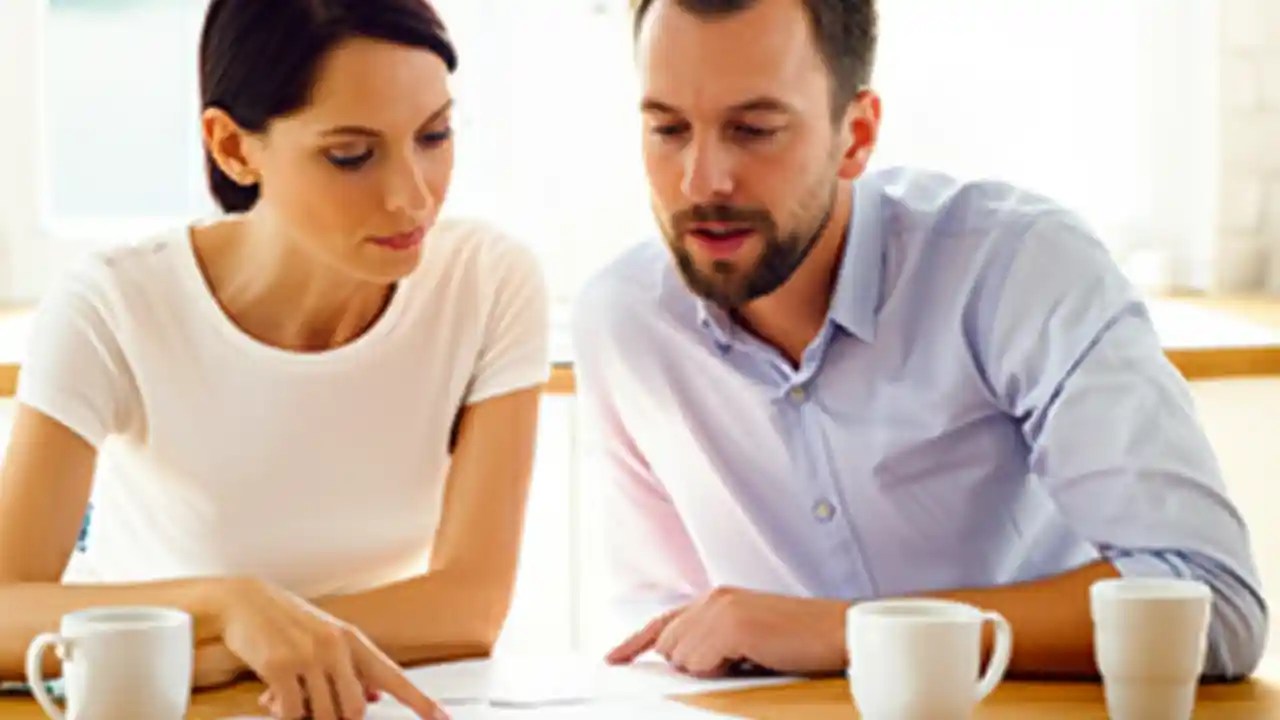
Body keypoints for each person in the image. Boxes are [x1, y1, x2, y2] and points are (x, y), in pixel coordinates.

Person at [575, 0, 1266, 681]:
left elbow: (1211, 604)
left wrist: (848, 630)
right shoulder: (627, 324)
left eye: (754, 129)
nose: (703, 181)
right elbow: (670, 639)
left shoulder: (1017, 269)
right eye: (667, 130)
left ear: (857, 135)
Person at [0, 1, 549, 718]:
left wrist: (242, 647)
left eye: (434, 135)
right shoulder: (115, 305)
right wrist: (228, 604)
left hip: (348, 702)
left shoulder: (488, 282)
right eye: (351, 155)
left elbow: (470, 609)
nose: (412, 196)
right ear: (232, 146)